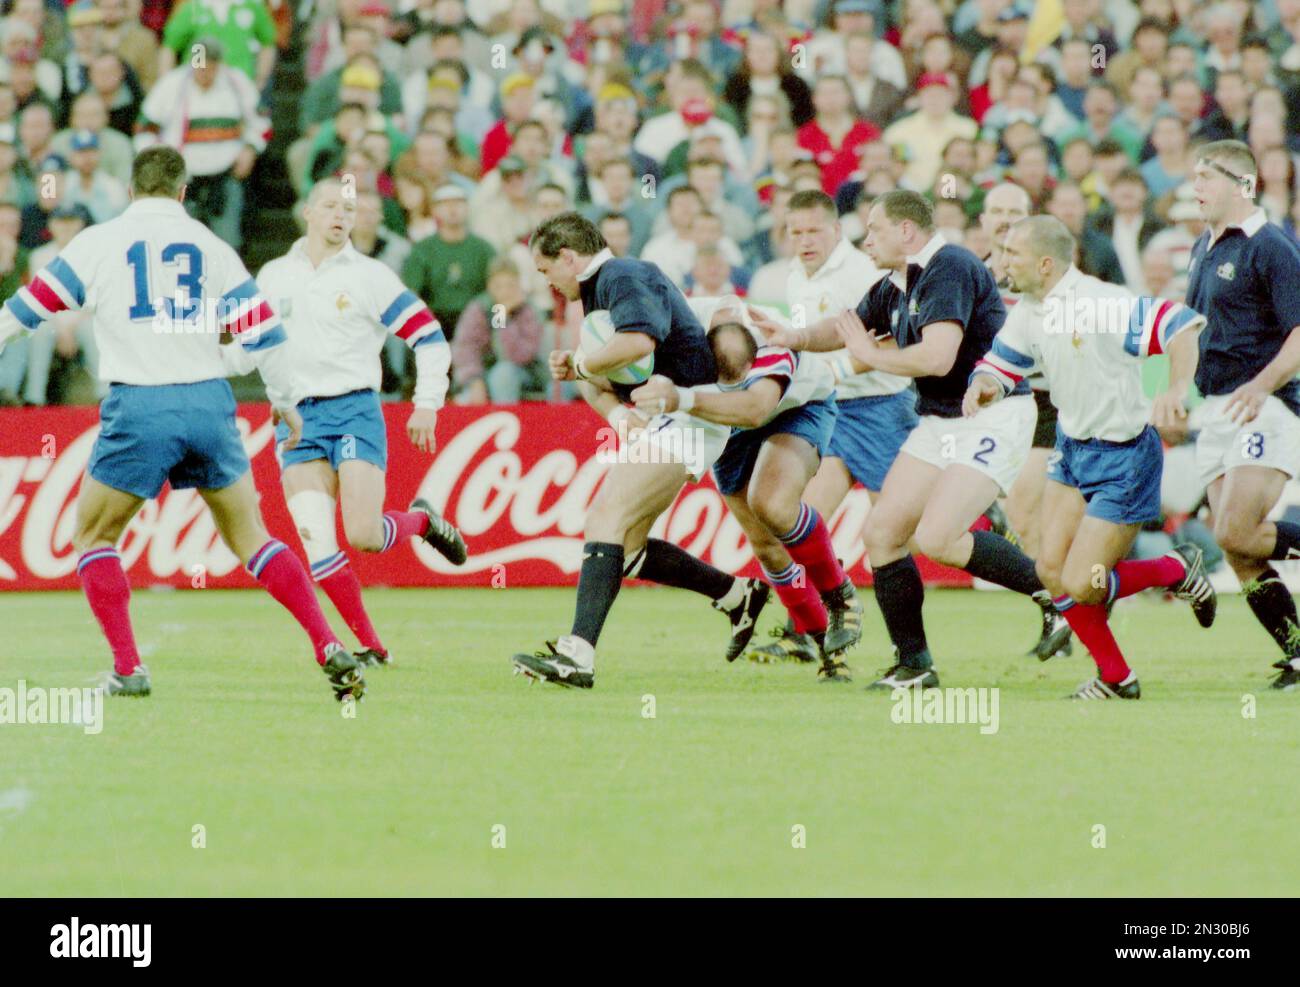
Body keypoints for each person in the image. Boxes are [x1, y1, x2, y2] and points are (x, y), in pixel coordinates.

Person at [0, 146, 364, 702]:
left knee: (94, 536)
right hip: (209, 401)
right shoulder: (212, 247)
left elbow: (25, 313)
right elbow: (265, 335)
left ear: (130, 190)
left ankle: (128, 668)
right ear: (183, 192)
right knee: (252, 538)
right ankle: (327, 643)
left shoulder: (98, 243)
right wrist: (286, 399)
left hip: (140, 404)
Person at [756, 190, 1068, 690]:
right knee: (882, 533)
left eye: (874, 230)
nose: (866, 239)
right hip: (940, 420)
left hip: (994, 414)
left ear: (906, 231)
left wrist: (867, 355)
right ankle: (914, 664)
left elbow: (937, 358)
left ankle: (1056, 594)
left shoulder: (951, 266)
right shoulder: (896, 282)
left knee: (938, 538)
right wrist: (792, 338)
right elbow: (845, 329)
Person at [509, 213, 772, 688]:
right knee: (626, 550)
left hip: (690, 413)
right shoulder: (596, 295)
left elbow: (637, 341)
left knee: (605, 517)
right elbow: (597, 377)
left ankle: (578, 656)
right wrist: (612, 410)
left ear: (569, 257)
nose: (543, 280)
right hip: (665, 415)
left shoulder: (622, 275)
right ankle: (737, 595)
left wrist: (581, 362)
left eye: (546, 269)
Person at [965, 215, 1216, 699]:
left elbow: (1183, 327)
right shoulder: (1029, 309)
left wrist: (1176, 388)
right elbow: (1001, 362)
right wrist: (984, 386)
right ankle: (1118, 679)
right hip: (1073, 449)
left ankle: (1175, 569)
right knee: (1050, 571)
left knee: (1083, 582)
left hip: (1124, 456)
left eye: (1012, 254)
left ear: (1044, 262)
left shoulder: (1102, 303)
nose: (1002, 262)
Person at [225, 178, 465, 668]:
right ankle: (372, 647)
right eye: (331, 206)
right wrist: (196, 362)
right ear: (308, 212)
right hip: (295, 419)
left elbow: (429, 336)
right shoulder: (272, 276)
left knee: (364, 535)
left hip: (354, 410)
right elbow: (246, 352)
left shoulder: (370, 276)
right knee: (317, 542)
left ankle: (421, 521)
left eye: (350, 210)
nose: (340, 215)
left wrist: (427, 402)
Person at [631, 317, 857, 681]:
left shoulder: (773, 344)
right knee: (767, 547)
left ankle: (839, 597)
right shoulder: (686, 351)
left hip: (797, 408)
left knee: (772, 504)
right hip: (726, 426)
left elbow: (754, 409)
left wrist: (683, 399)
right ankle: (824, 645)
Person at [1185, 140, 1300, 691]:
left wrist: (1261, 384)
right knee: (1235, 547)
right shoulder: (1200, 248)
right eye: (1194, 177)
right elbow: (1179, 331)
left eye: (1207, 177)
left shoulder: (1271, 246)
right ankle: (1298, 654)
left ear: (1243, 185)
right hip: (1213, 412)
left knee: (1236, 529)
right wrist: (1159, 391)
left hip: (1263, 406)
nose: (1197, 187)